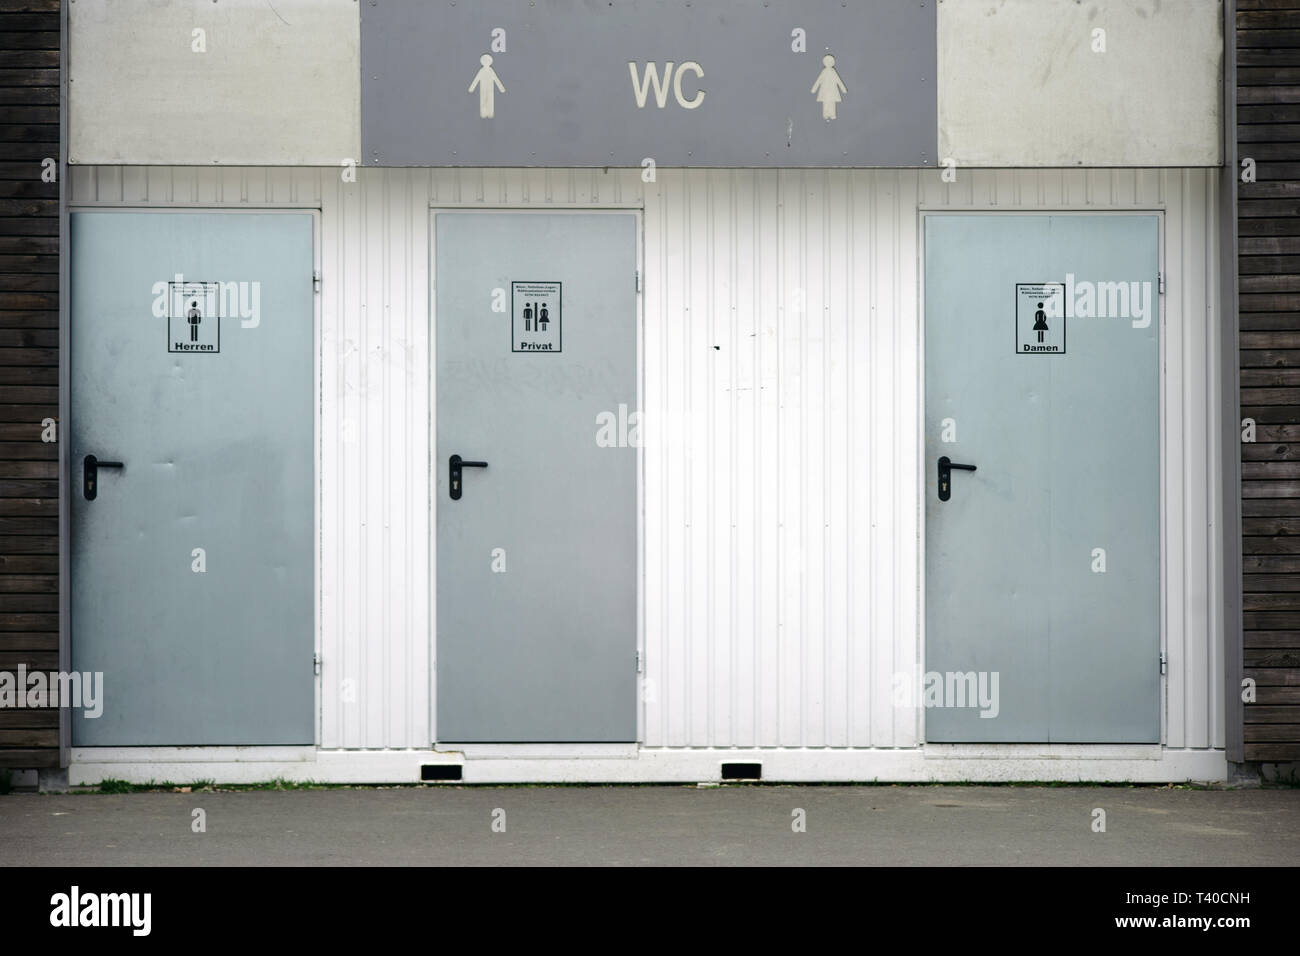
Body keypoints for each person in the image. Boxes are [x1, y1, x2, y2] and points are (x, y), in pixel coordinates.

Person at [811, 54, 846, 120]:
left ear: (833, 63)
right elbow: (819, 80)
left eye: (830, 62)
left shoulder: (833, 72)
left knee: (832, 104)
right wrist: (814, 89)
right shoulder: (823, 71)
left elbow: (838, 80)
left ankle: (832, 114)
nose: (828, 63)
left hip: (833, 90)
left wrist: (843, 89)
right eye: (827, 61)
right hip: (825, 91)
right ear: (824, 62)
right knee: (825, 103)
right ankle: (825, 114)